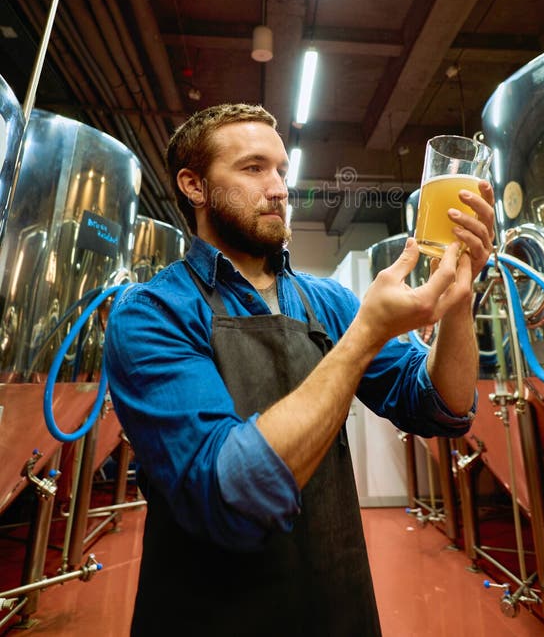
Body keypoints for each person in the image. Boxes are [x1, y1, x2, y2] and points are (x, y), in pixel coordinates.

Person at [104, 103, 495, 637]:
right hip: (210, 614)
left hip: (336, 606)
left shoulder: (325, 301)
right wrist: (363, 338)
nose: (279, 188)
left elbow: (440, 406)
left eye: (282, 171)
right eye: (252, 168)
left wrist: (458, 300)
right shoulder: (153, 311)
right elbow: (231, 494)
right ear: (194, 186)